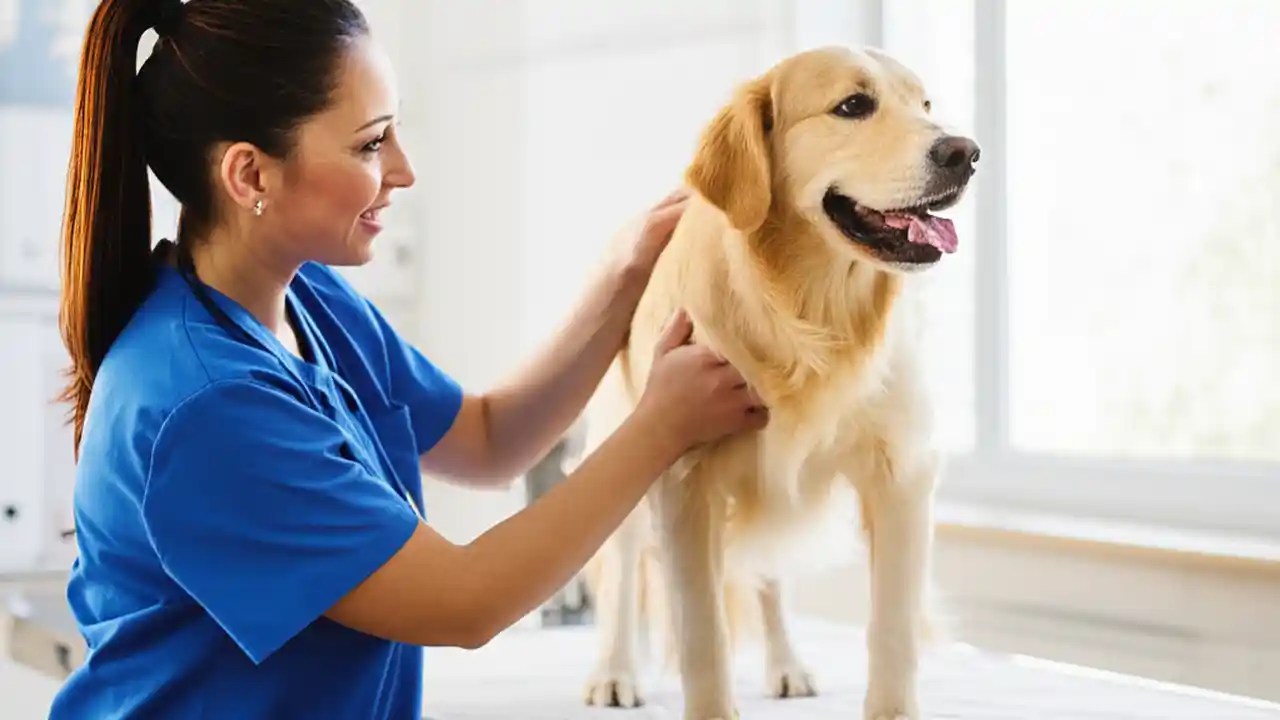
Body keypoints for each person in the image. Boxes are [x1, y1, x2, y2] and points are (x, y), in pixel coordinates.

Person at [48, 0, 768, 717]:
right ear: (250, 177)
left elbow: (491, 440)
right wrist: (658, 429)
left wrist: (625, 272)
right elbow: (465, 602)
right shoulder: (207, 407)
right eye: (370, 144)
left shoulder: (310, 301)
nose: (404, 170)